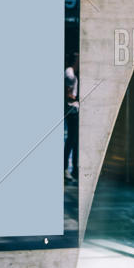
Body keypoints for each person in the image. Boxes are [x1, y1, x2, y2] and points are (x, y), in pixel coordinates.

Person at [64, 51, 80, 184]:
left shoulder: (72, 73)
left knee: (74, 141)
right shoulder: (70, 73)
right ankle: (66, 168)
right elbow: (68, 93)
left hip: (73, 110)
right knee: (72, 140)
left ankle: (74, 168)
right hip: (72, 110)